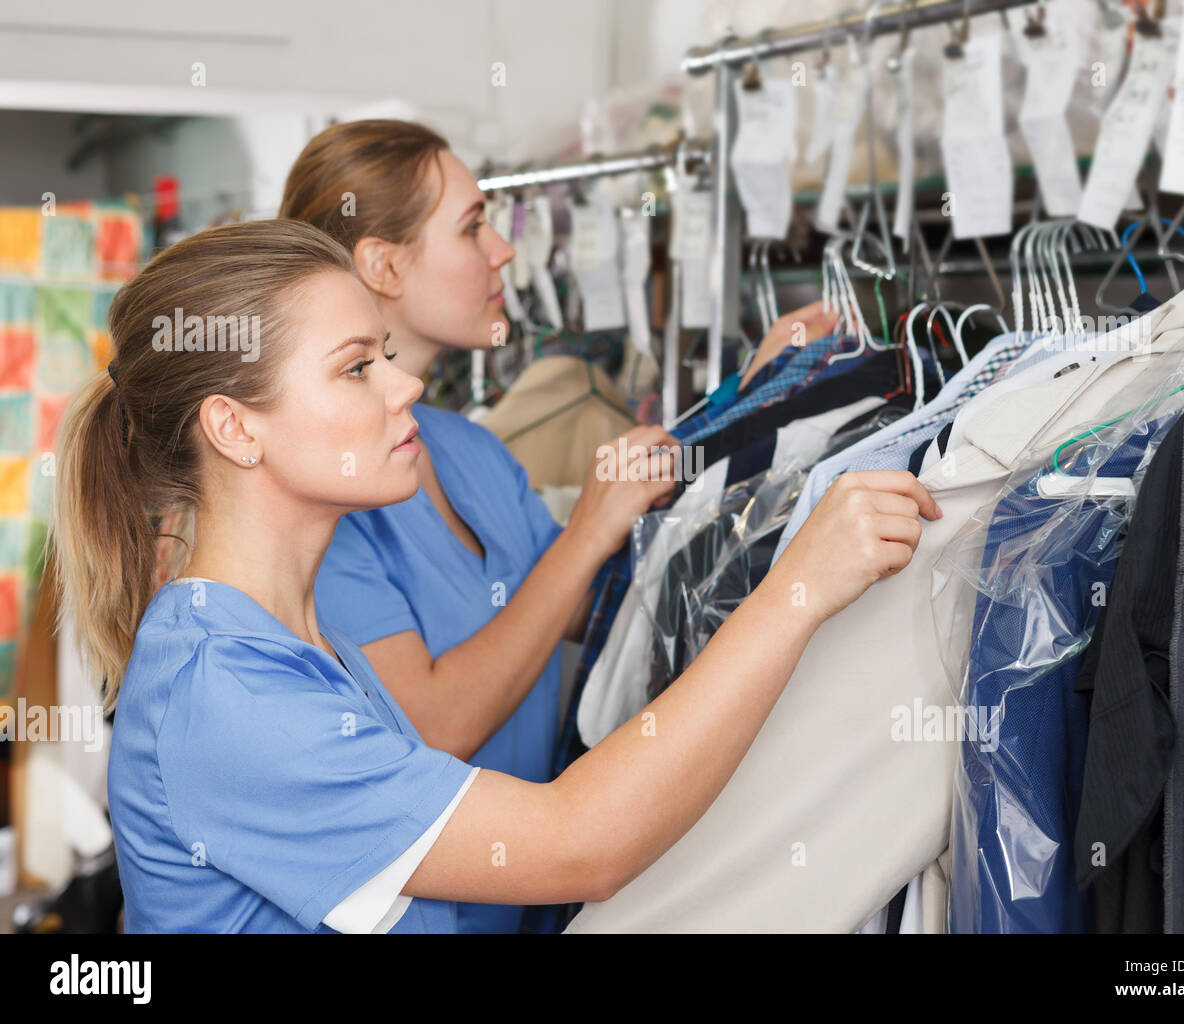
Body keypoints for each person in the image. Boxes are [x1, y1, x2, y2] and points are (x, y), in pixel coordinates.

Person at [53, 219, 940, 934]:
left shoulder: (289, 640)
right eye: (357, 367)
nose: (403, 389)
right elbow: (579, 841)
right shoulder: (226, 689)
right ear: (235, 430)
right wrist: (798, 589)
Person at [278, 120, 837, 931]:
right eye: (472, 227)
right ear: (384, 264)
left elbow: (589, 605)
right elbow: (434, 726)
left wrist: (749, 405)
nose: (503, 253)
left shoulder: (466, 448)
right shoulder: (330, 493)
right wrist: (582, 536)